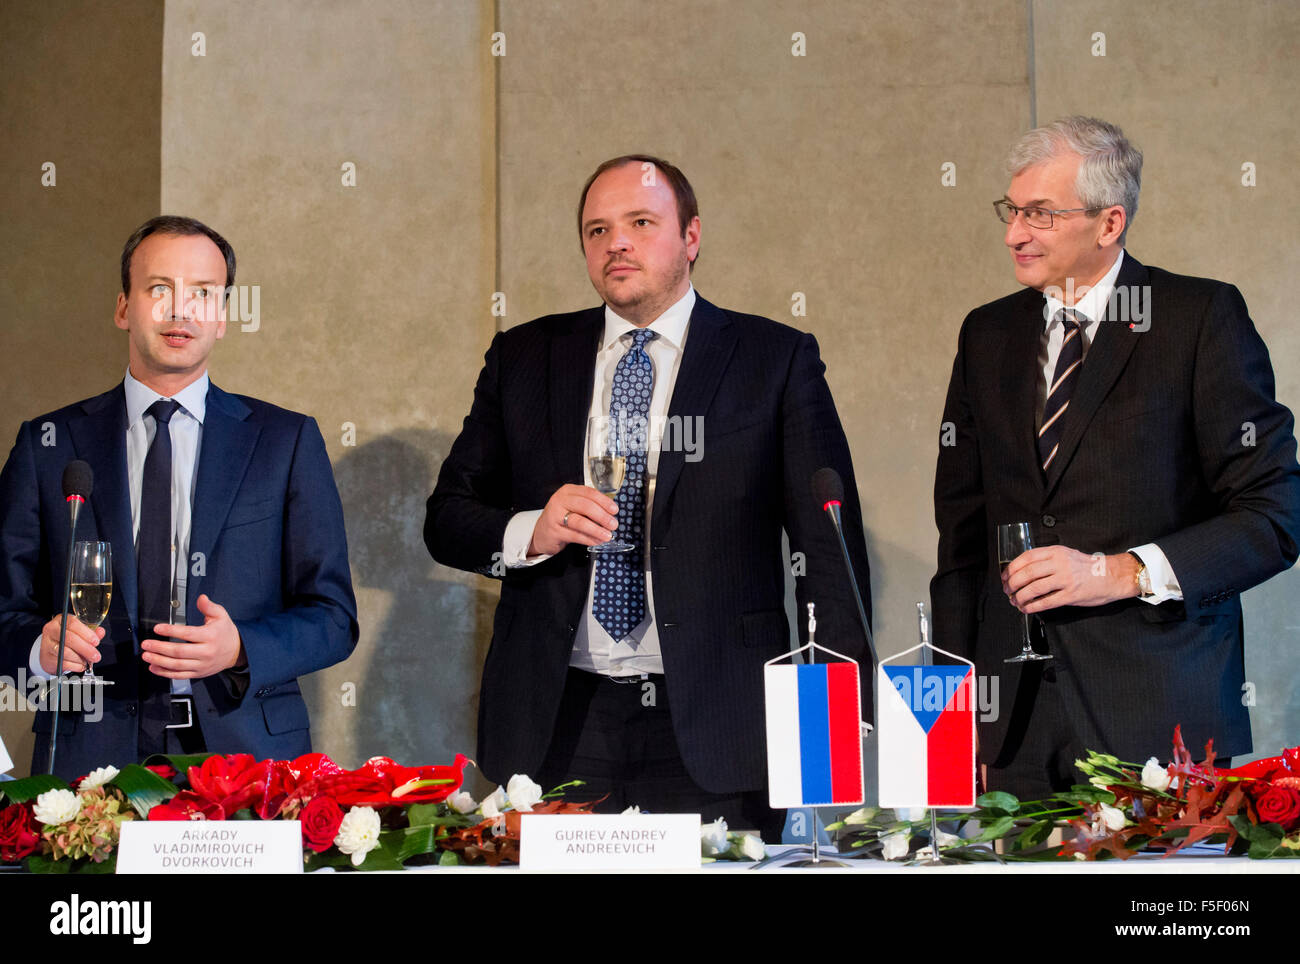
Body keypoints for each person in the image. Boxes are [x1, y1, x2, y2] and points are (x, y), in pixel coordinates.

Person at [425, 155, 871, 839]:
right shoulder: (524, 357)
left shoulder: (773, 359)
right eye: (597, 230)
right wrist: (531, 531)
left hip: (723, 721)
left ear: (691, 236)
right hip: (559, 721)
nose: (617, 244)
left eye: (640, 223)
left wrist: (834, 719)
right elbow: (447, 519)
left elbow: (829, 548)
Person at [931, 117, 1300, 799]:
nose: (1014, 233)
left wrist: (1119, 572)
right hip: (1012, 731)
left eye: (1041, 214)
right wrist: (952, 716)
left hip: (1162, 724)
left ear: (1109, 223)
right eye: (1012, 210)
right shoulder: (987, 333)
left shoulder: (1198, 318)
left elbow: (1274, 518)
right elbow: (961, 541)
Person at [0, 215, 358, 779]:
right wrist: (37, 651)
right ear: (123, 307)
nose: (180, 310)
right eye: (160, 288)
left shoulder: (285, 441)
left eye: (203, 292)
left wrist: (240, 647)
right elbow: (4, 604)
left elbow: (334, 618)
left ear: (222, 316)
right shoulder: (48, 442)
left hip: (244, 756)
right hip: (88, 756)